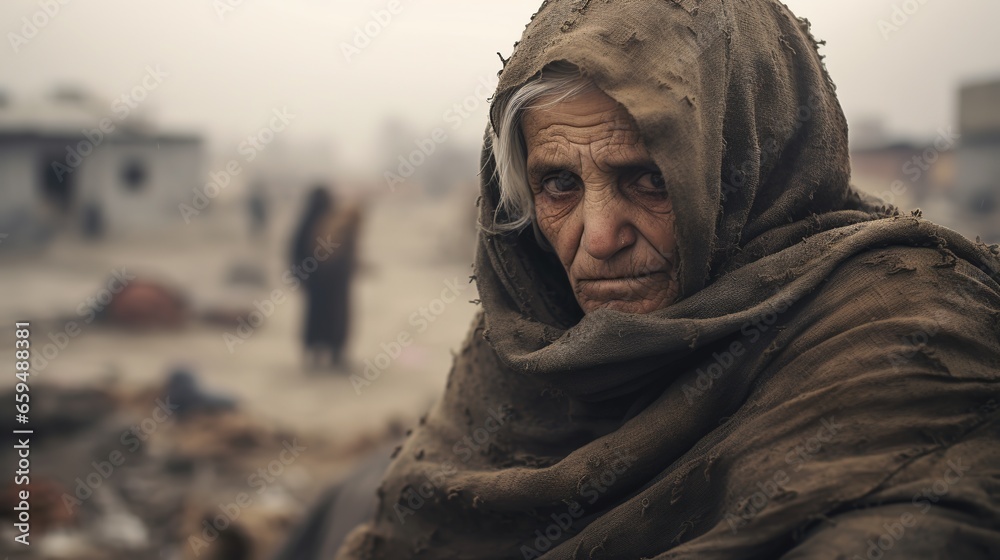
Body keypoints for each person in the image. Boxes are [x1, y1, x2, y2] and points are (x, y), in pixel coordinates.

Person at [283, 2, 1000, 558]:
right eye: (558, 184)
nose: (598, 238)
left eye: (649, 179)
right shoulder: (533, 340)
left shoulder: (901, 338)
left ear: (749, 163)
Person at [290, 186, 361, 370]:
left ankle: (328, 355)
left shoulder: (326, 222)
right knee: (326, 320)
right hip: (321, 284)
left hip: (328, 284)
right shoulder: (319, 222)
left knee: (328, 320)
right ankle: (325, 355)